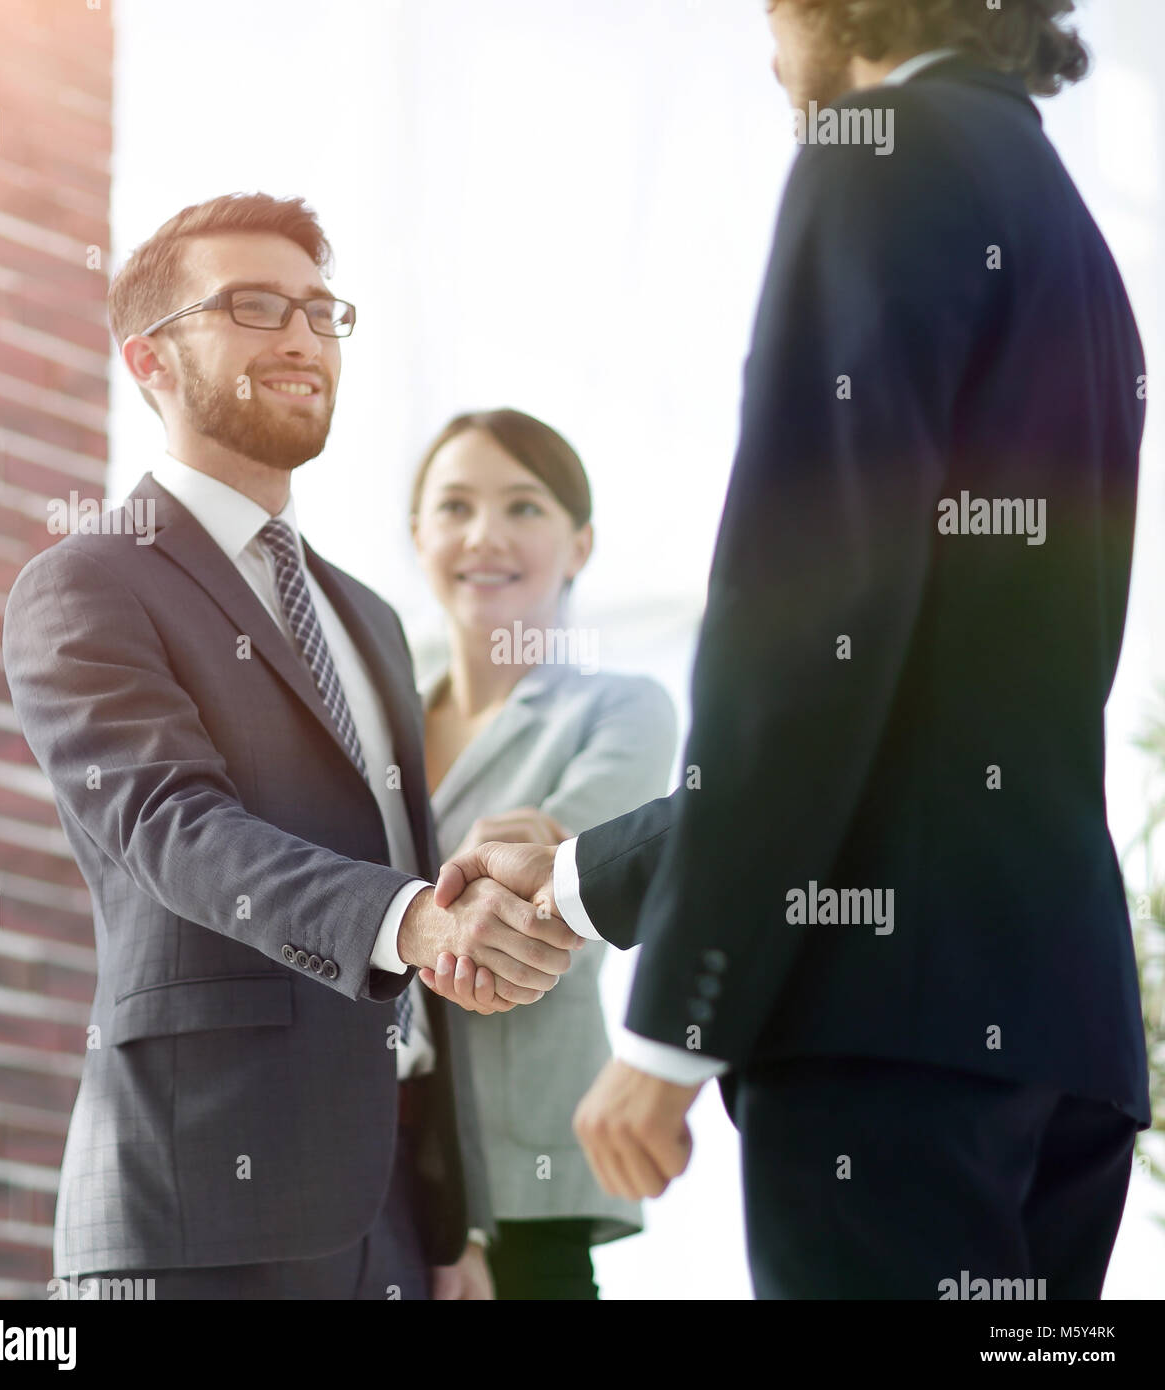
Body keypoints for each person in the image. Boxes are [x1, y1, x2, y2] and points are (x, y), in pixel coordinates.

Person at [424, 1, 1152, 1299]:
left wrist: (674, 1029)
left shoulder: (875, 150)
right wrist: (594, 870)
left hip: (887, 1031)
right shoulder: (1070, 231)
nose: (762, 34)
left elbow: (807, 637)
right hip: (1059, 1027)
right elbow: (921, 694)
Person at [2, 193, 582, 1300]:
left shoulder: (366, 617)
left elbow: (409, 870)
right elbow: (175, 830)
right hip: (202, 1208)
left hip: (397, 1214)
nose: (303, 338)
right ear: (150, 361)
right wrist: (410, 918)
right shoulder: (86, 585)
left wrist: (449, 1212)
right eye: (256, 307)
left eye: (322, 312)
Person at [410, 407, 677, 1298]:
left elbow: (547, 904)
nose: (485, 535)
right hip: (363, 1181)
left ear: (581, 542)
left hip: (527, 1194)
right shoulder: (373, 717)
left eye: (523, 507)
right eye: (454, 507)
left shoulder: (622, 711)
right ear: (418, 535)